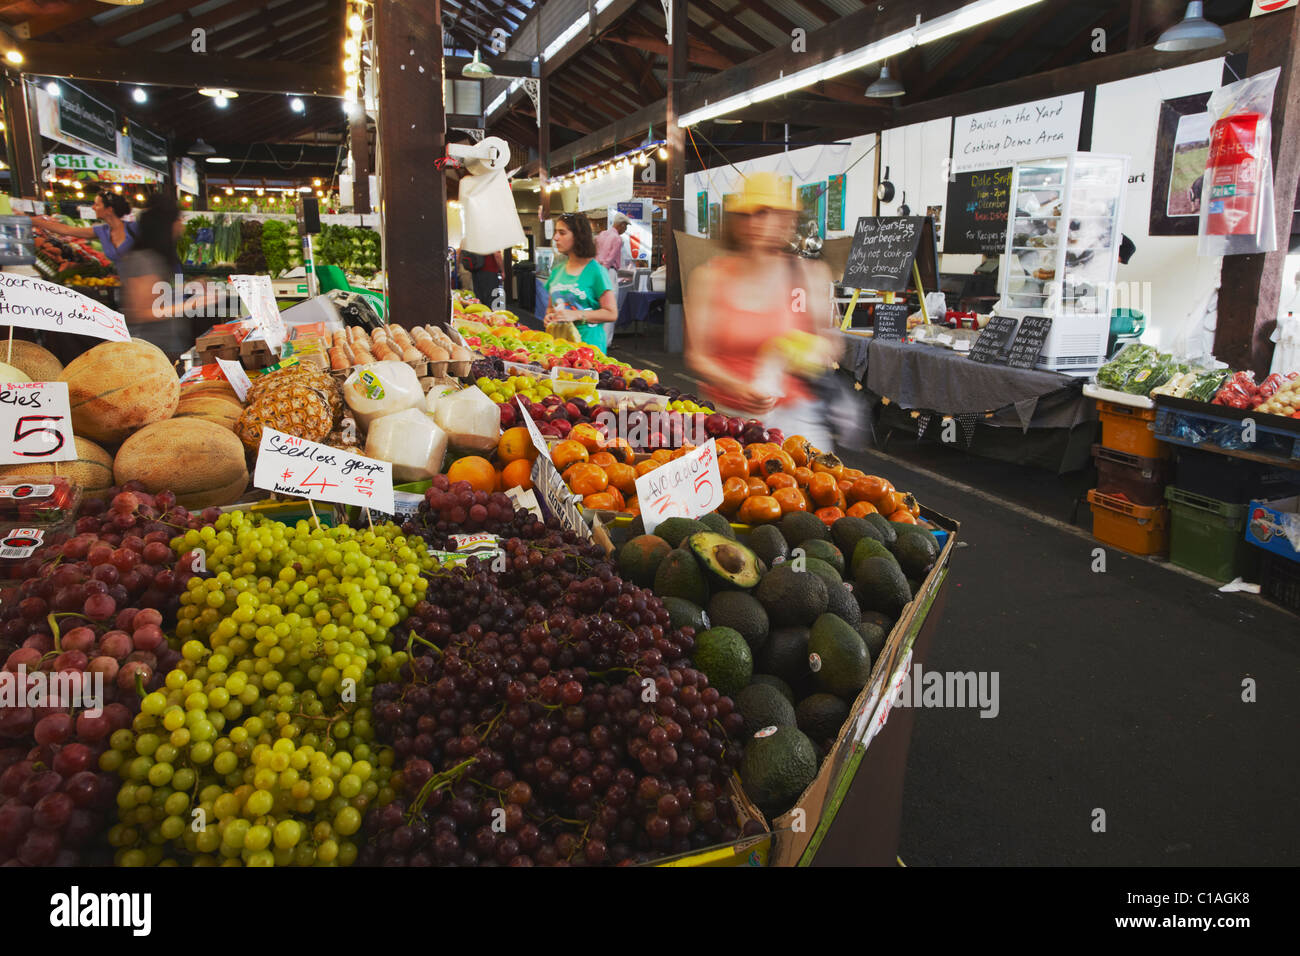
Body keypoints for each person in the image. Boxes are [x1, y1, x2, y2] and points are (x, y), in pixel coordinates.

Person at [685, 171, 840, 452]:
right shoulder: (710, 278)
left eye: (767, 213)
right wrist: (738, 387)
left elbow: (828, 341)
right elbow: (699, 356)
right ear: (735, 222)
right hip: (728, 422)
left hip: (794, 420)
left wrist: (809, 352)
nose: (757, 223)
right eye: (748, 215)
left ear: (786, 220)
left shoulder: (803, 278)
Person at [119, 194, 217, 361]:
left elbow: (157, 296)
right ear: (166, 225)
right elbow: (142, 312)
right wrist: (192, 304)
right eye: (178, 219)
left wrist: (186, 288)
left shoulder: (155, 256)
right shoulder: (143, 259)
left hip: (166, 346)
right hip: (151, 351)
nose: (182, 225)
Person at [546, 212, 618, 352]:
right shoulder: (557, 271)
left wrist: (577, 315)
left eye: (562, 233)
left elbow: (611, 313)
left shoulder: (596, 271)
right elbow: (550, 307)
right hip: (559, 349)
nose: (555, 238)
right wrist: (550, 316)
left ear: (578, 236)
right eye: (556, 232)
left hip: (588, 349)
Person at [29, 190, 139, 267]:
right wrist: (34, 221)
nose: (93, 207)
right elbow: (67, 230)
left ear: (109, 210)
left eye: (97, 205)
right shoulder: (102, 231)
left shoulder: (134, 228)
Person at [595, 212, 629, 287]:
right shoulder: (617, 238)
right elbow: (610, 258)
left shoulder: (601, 234)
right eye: (626, 226)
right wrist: (604, 271)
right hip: (609, 271)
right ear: (622, 225)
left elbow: (595, 252)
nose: (625, 229)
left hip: (597, 269)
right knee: (612, 296)